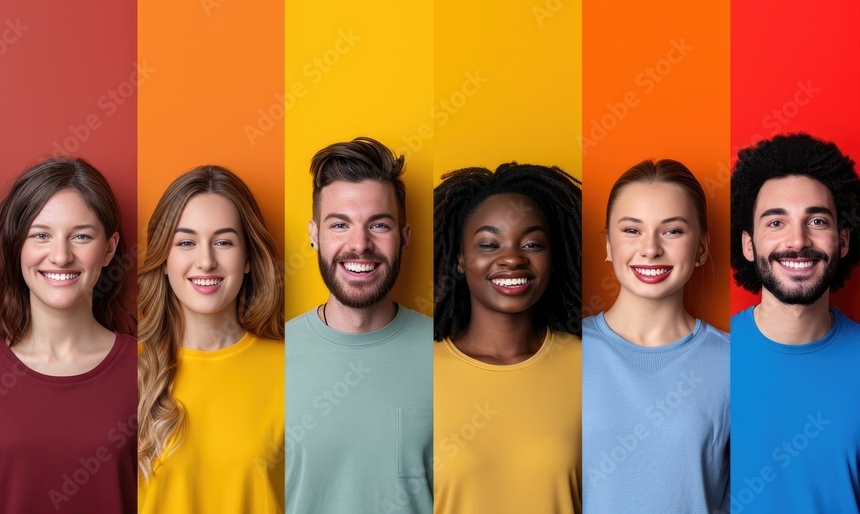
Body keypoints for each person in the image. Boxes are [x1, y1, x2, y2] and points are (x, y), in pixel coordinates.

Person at [284, 137, 432, 514]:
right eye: (340, 224)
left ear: (405, 237)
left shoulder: (447, 353)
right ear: (315, 235)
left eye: (378, 225)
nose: (360, 244)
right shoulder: (272, 356)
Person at [0, 158, 137, 514]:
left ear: (109, 248)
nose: (60, 256)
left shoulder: (148, 366)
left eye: (81, 236)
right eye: (41, 235)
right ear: (15, 245)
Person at [433, 162, 582, 513]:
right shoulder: (418, 373)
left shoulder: (589, 367)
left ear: (553, 257)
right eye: (488, 244)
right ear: (460, 259)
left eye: (532, 244)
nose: (512, 258)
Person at [583, 159, 729, 513]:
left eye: (672, 231)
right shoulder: (566, 351)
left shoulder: (736, 364)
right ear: (608, 245)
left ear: (702, 248)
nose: (650, 249)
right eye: (632, 230)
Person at [137, 165, 284, 513]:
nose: (206, 261)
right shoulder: (122, 369)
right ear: (164, 259)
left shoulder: (294, 370)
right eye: (186, 242)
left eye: (223, 242)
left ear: (247, 258)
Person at [729, 133, 860, 513]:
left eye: (816, 221)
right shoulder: (708, 359)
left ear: (843, 241)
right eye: (776, 222)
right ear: (749, 245)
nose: (798, 241)